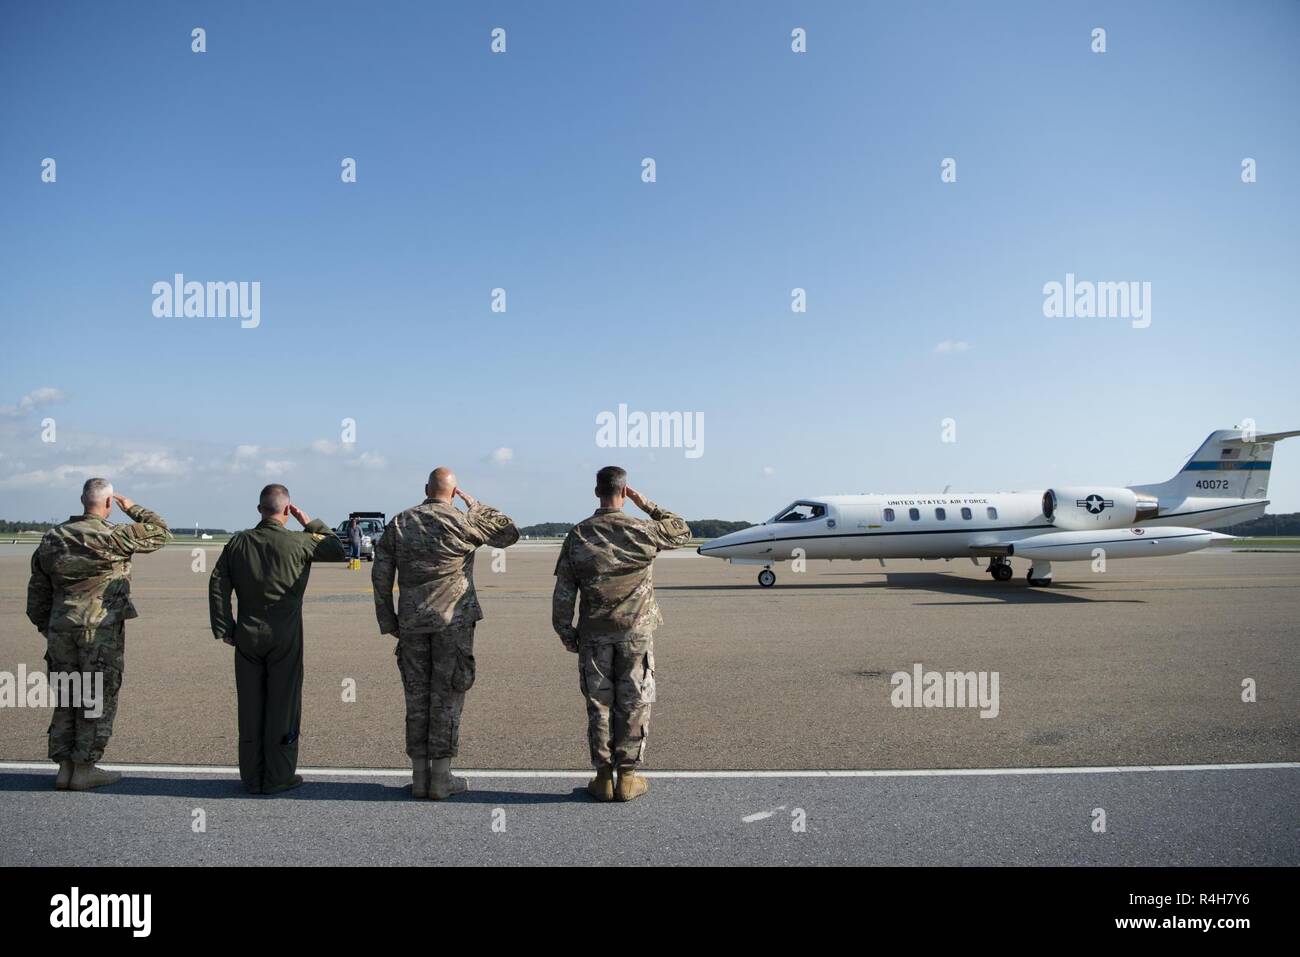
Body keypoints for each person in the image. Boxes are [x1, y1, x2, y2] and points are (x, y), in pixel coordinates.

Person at [372, 467, 519, 799]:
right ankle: (440, 778)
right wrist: (477, 507)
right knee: (447, 698)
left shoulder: (400, 522)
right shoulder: (465, 522)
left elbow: (381, 577)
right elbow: (509, 533)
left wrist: (389, 620)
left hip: (411, 624)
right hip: (453, 624)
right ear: (454, 493)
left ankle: (419, 777)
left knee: (416, 698)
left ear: (426, 488)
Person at [551, 466, 691, 802]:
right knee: (633, 701)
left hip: (594, 632)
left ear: (596, 491)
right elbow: (682, 531)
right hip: (635, 632)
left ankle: (603, 779)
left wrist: (565, 632)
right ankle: (627, 777)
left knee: (599, 704)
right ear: (624, 491)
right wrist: (646, 504)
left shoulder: (580, 535)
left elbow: (564, 591)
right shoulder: (643, 529)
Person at [25, 478, 170, 790]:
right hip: (100, 632)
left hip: (60, 630)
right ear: (107, 504)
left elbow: (36, 598)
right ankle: (85, 767)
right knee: (95, 696)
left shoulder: (52, 538)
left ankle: (64, 767)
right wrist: (132, 508)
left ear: (81, 500)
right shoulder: (114, 535)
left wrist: (51, 627)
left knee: (67, 696)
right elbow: (160, 532)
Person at [208, 484, 346, 794]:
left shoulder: (238, 543)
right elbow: (338, 549)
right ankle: (279, 775)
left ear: (259, 510)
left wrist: (225, 627)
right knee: (283, 706)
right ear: (287, 510)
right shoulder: (300, 542)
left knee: (251, 705)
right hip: (285, 636)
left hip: (246, 635)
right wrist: (309, 522)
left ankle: (252, 776)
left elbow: (217, 584)